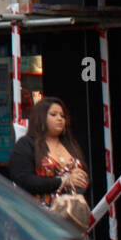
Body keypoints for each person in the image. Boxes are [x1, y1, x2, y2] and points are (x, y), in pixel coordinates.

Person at [9, 97, 90, 226]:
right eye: (53, 115)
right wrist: (63, 181)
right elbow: (24, 179)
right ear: (40, 118)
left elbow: (83, 177)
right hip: (37, 220)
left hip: (70, 219)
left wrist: (80, 182)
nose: (60, 119)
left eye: (62, 116)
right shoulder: (27, 144)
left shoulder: (71, 145)